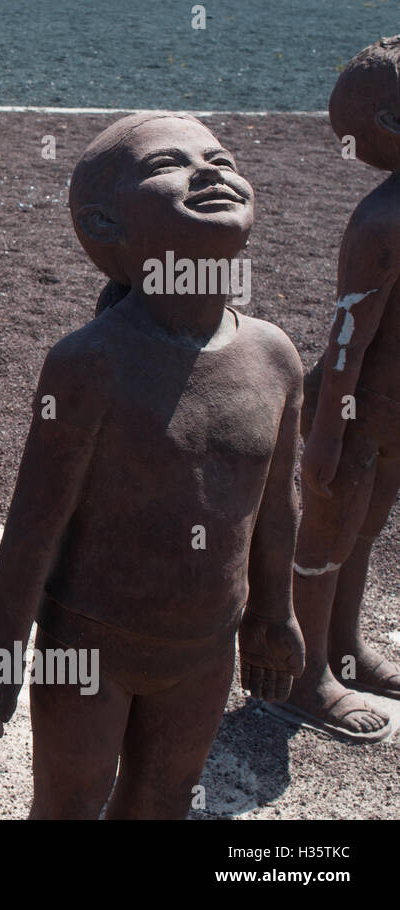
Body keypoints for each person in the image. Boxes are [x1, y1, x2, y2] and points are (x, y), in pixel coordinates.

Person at [0, 113, 306, 818]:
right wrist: (6, 645)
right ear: (104, 224)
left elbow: (277, 504)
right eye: (168, 166)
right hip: (87, 642)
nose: (209, 171)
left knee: (165, 797)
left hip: (205, 647)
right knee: (70, 798)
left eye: (220, 157)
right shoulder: (89, 365)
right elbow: (36, 522)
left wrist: (273, 613)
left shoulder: (274, 357)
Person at [279, 37, 400, 742]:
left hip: (391, 418)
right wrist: (325, 430)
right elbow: (348, 335)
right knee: (325, 534)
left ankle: (344, 646)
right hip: (356, 413)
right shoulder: (382, 223)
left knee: (364, 527)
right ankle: (302, 669)